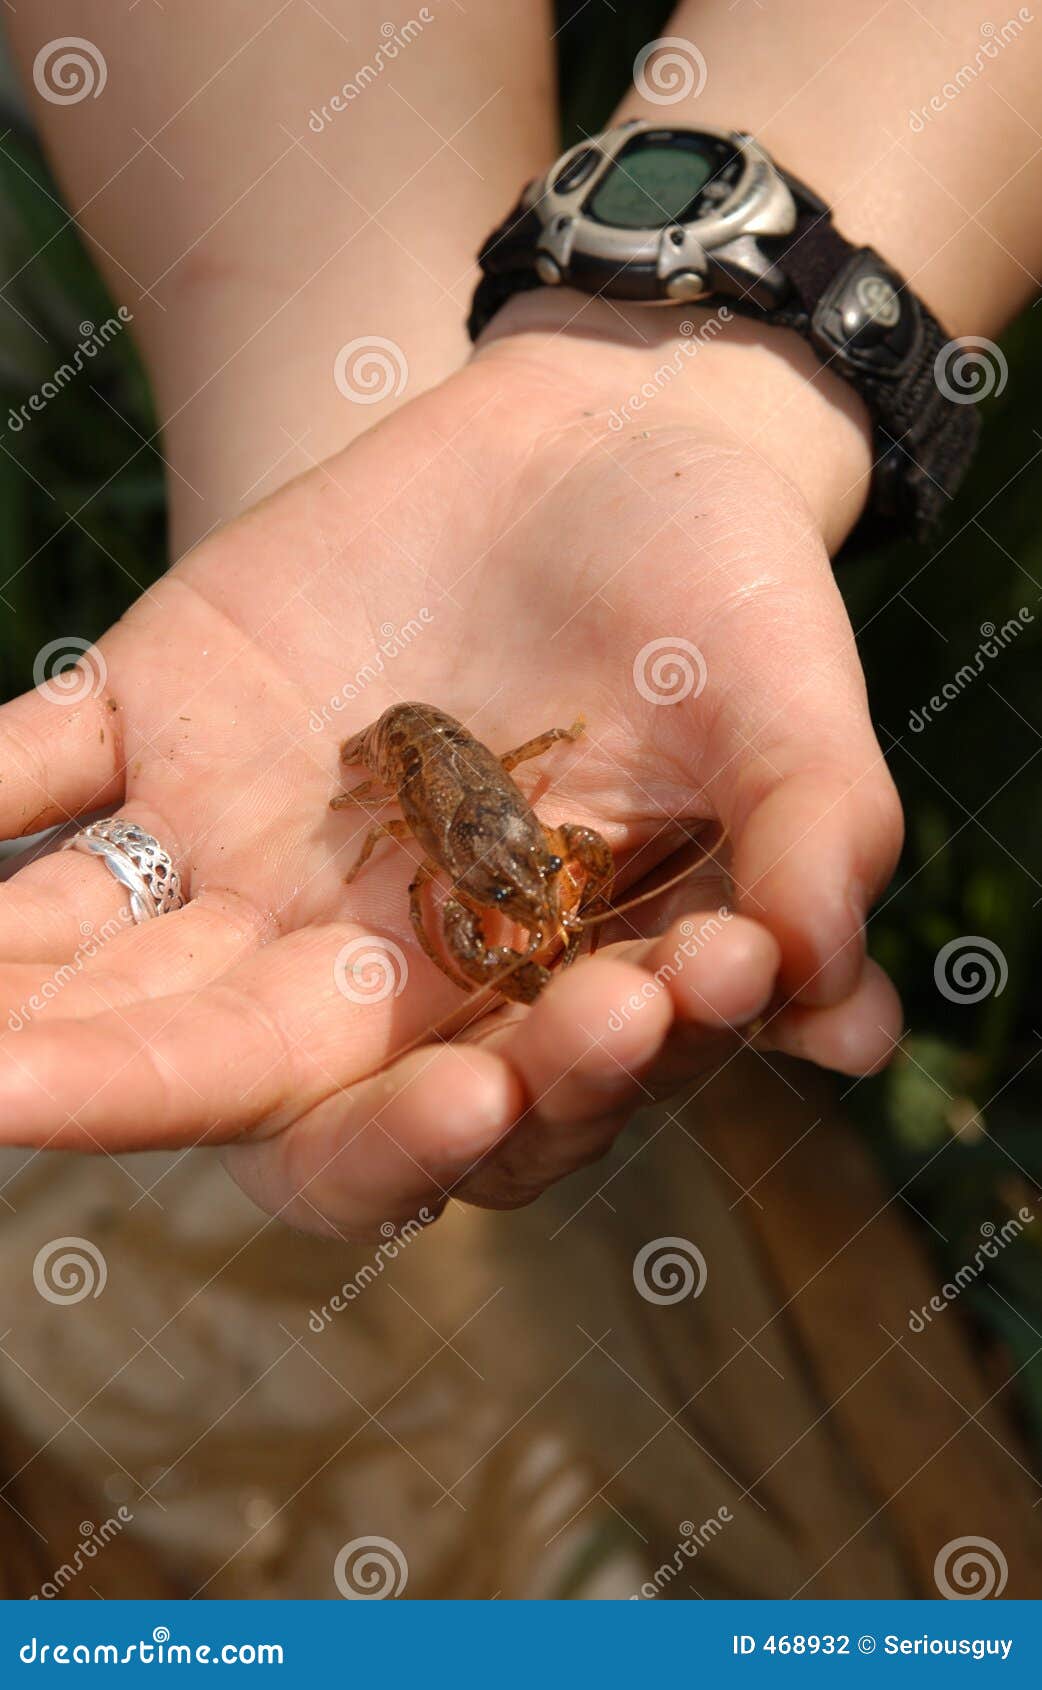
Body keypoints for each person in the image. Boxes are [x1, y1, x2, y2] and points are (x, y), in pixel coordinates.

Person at [0, 0, 1038, 1600]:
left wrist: (672, 401)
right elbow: (439, 878)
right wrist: (340, 424)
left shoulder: (512, 828)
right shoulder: (423, 824)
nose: (513, 885)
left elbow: (508, 837)